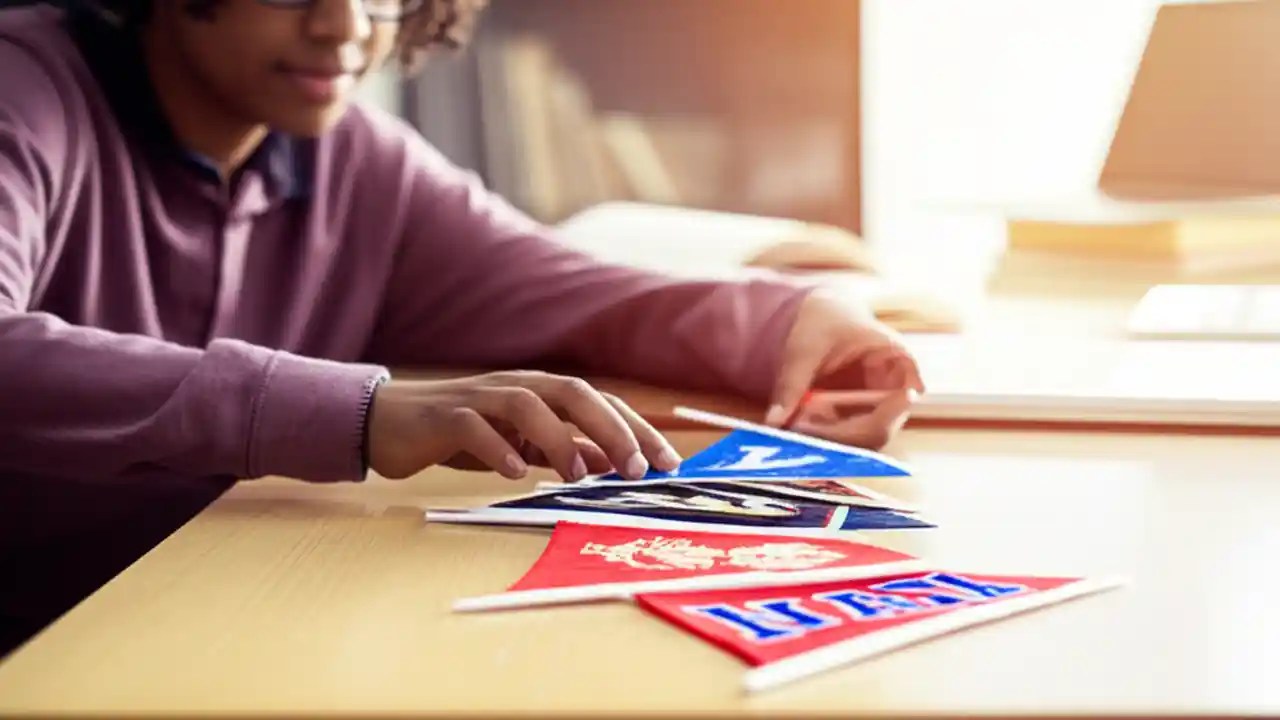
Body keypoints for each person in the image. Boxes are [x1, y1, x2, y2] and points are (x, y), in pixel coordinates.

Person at [0, 0, 922, 651]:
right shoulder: (25, 88)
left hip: (192, 617)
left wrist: (788, 318)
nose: (344, 26)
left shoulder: (355, 161)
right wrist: (364, 412)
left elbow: (560, 286)